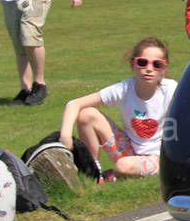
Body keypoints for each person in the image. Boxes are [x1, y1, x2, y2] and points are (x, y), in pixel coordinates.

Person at [58, 37, 178, 182]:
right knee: (86, 114)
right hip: (129, 150)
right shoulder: (124, 88)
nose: (149, 68)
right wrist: (65, 136)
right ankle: (93, 172)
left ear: (164, 69)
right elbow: (74, 104)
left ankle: (117, 175)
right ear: (133, 64)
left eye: (157, 64)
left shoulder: (171, 89)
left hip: (159, 158)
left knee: (122, 166)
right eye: (142, 62)